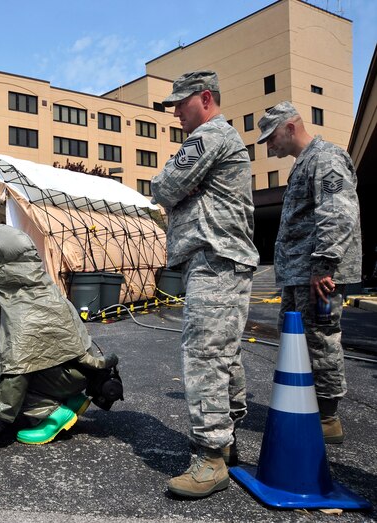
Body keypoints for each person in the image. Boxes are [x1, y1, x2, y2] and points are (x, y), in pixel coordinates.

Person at [151, 70, 259, 499]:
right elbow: (176, 188)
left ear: (206, 99)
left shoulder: (210, 135)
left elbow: (165, 185)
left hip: (217, 261)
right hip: (220, 261)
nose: (176, 112)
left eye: (181, 103)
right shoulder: (217, 138)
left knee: (205, 355)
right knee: (223, 353)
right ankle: (225, 441)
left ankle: (211, 455)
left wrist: (179, 187)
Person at [257, 101, 362, 444]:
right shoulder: (304, 164)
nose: (269, 145)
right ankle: (307, 407)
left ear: (290, 127)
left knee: (320, 339)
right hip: (300, 275)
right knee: (299, 341)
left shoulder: (325, 159)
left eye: (271, 137)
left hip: (318, 276)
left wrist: (323, 264)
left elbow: (337, 212)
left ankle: (328, 417)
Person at [0, 225, 120, 445]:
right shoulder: (42, 287)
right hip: (78, 370)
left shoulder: (21, 302)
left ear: (3, 266)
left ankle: (52, 414)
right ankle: (72, 400)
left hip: (67, 374)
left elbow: (17, 370)